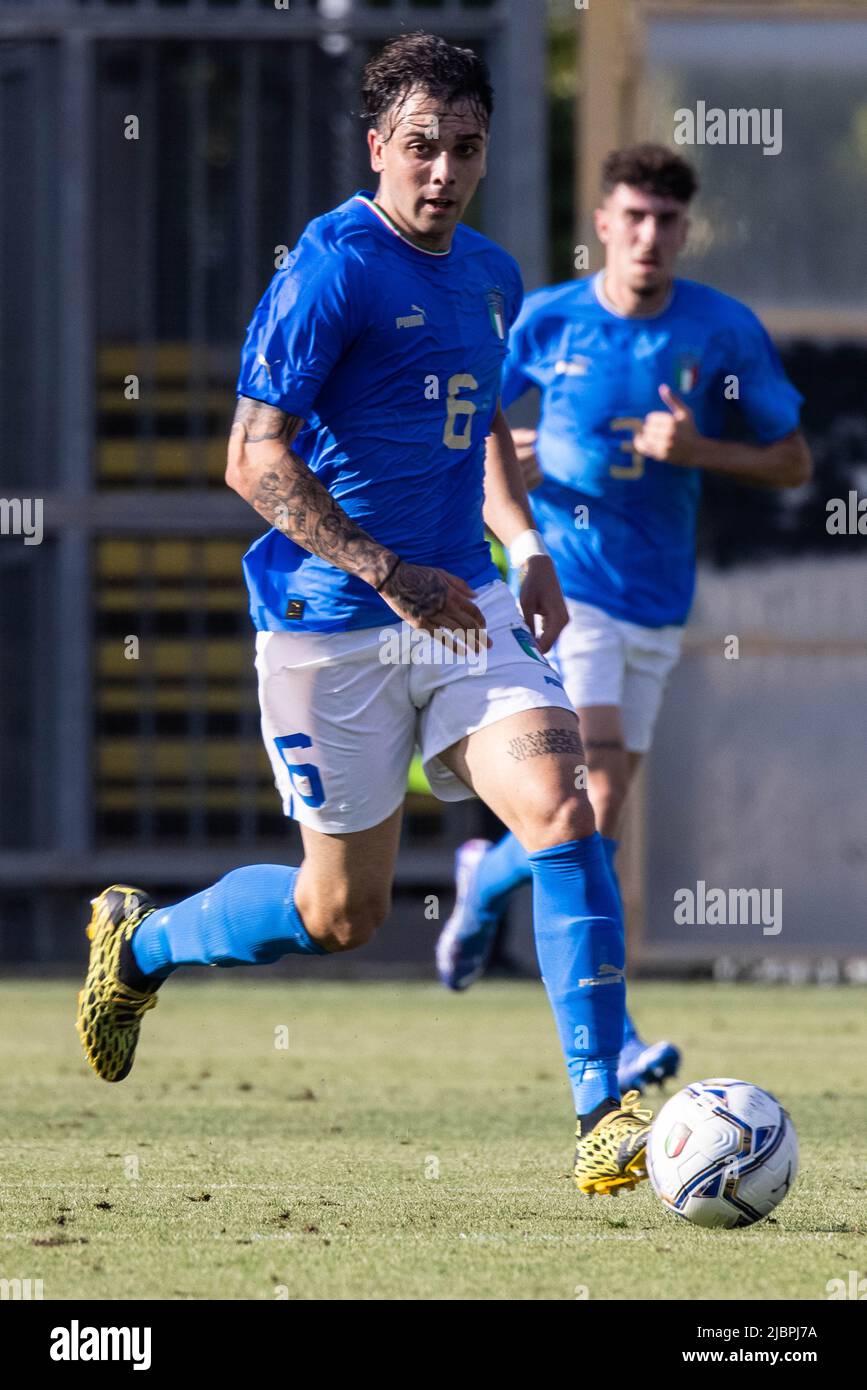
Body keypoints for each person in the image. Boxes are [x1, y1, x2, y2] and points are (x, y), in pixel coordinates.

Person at [76, 36, 655, 1197]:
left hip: (466, 605)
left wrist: (527, 544)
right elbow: (252, 460)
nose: (442, 171)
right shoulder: (330, 269)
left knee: (562, 804)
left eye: (467, 148)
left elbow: (475, 415)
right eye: (423, 147)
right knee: (339, 913)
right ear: (379, 145)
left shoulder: (491, 276)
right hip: (330, 618)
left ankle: (605, 1104)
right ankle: (138, 943)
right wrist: (388, 573)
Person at [436, 143, 812, 1094]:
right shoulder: (547, 321)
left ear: (685, 231)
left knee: (597, 829)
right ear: (601, 223)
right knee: (589, 801)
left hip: (657, 605)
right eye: (632, 217)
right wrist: (507, 475)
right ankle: (617, 1044)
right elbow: (470, 419)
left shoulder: (720, 332)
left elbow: (792, 461)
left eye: (666, 221)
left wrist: (699, 449)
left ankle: (487, 880)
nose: (648, 236)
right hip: (569, 593)